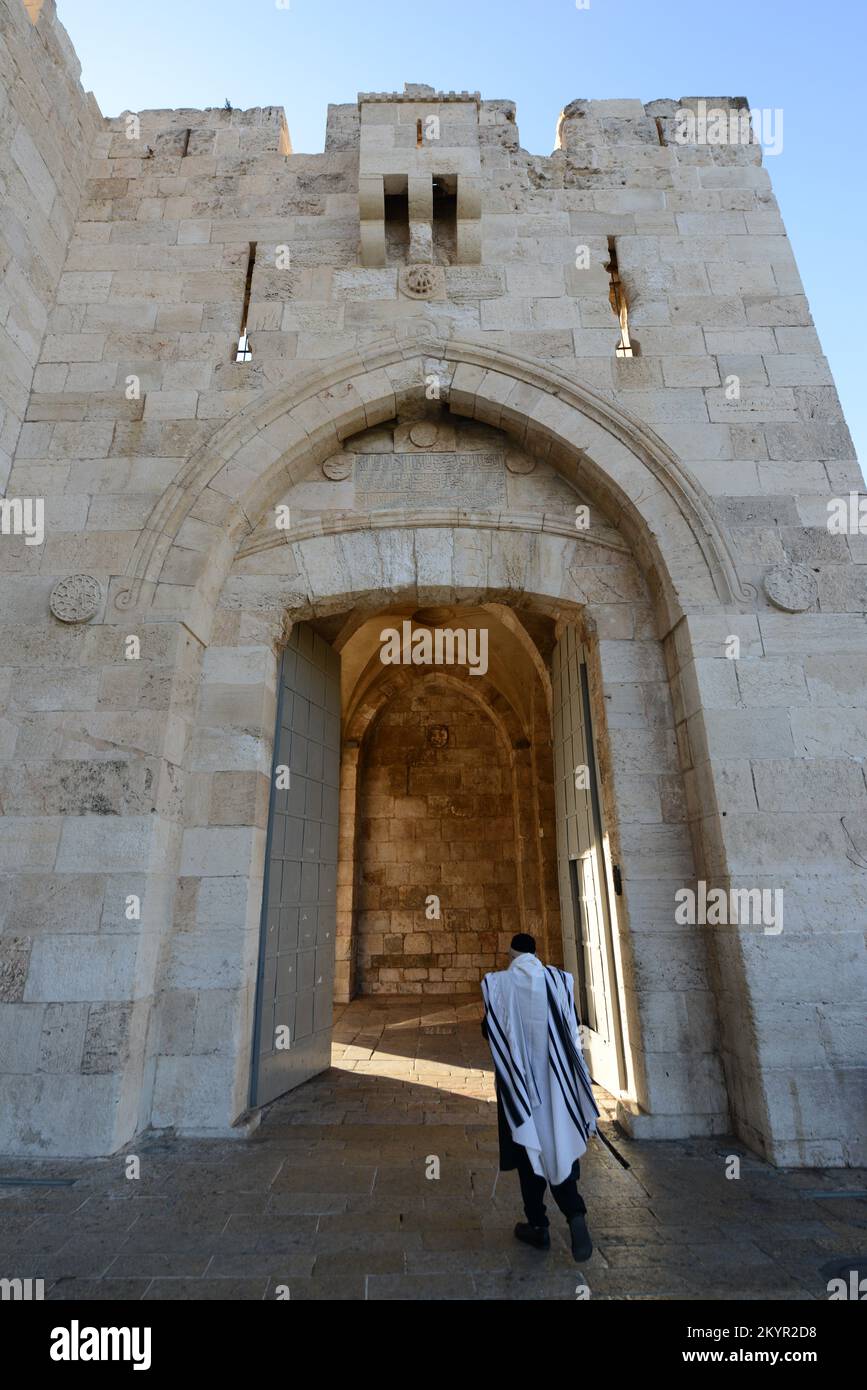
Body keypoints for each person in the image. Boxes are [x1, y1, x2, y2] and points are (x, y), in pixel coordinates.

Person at [481, 933, 599, 1262]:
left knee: (527, 1154)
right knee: (559, 1143)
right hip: (556, 1086)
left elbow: (489, 1030)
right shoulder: (559, 980)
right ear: (536, 952)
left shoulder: (498, 984)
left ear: (512, 954)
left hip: (518, 1088)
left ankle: (538, 1226)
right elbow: (570, 1025)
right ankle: (575, 1215)